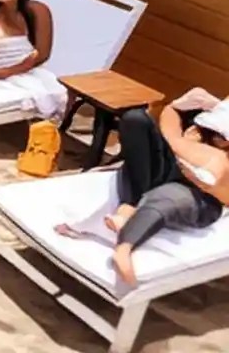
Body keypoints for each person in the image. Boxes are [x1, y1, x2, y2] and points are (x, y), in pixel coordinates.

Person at [57, 90, 229, 285]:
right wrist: (175, 107)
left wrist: (205, 185)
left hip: (201, 190)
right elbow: (170, 124)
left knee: (168, 196)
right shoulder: (216, 114)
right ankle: (129, 208)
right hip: (175, 162)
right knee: (135, 118)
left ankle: (124, 247)